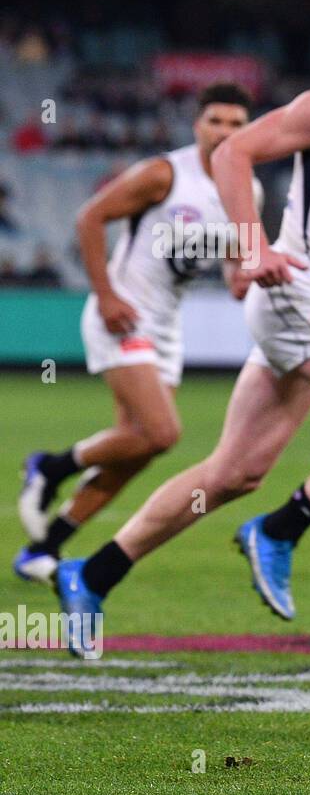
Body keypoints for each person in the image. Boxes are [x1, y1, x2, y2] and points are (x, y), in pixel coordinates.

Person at [55, 0, 310, 654]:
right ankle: (281, 528)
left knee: (232, 473)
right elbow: (231, 153)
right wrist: (252, 245)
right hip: (294, 294)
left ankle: (91, 574)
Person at [16, 83, 256, 584]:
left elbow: (239, 252)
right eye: (216, 121)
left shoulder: (246, 188)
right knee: (162, 433)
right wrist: (105, 295)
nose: (226, 132)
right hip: (123, 316)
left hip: (165, 326)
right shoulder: (165, 174)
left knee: (140, 447)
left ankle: (45, 547)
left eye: (237, 124)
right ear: (197, 125)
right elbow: (90, 217)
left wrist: (241, 277)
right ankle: (52, 467)